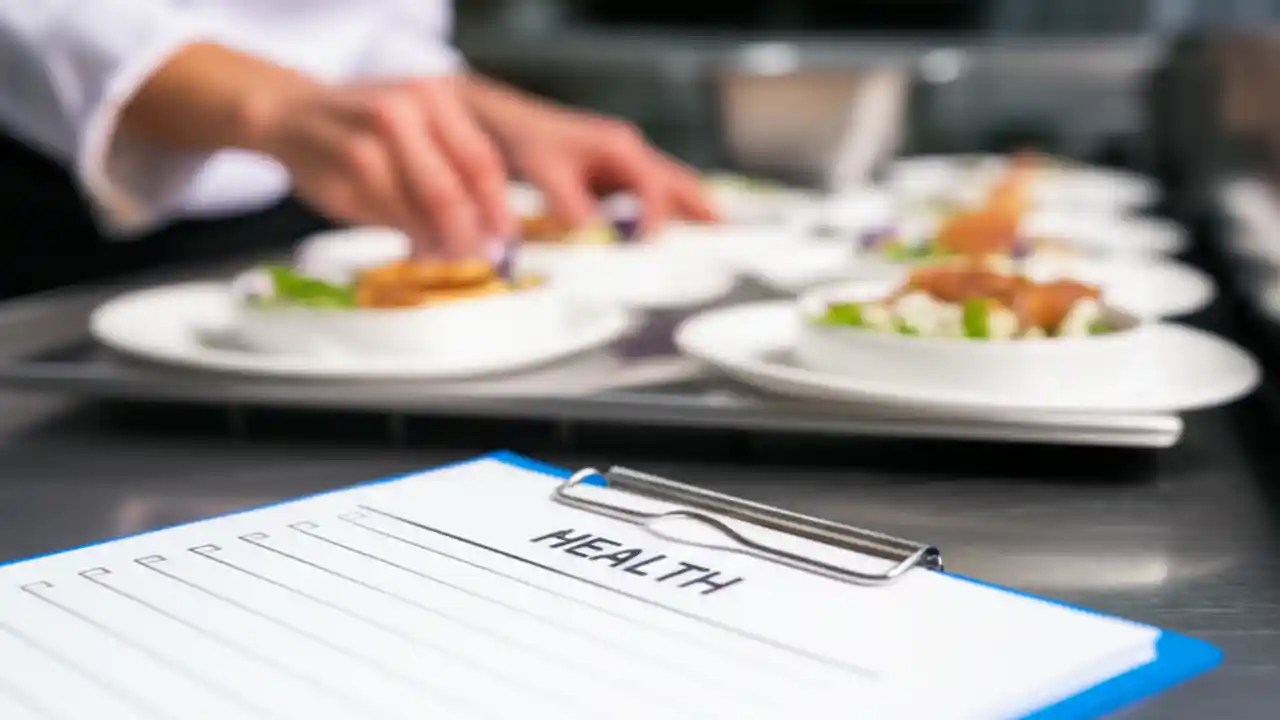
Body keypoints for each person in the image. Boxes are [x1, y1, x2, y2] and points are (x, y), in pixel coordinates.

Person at [0, 0, 717, 269]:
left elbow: (364, 29)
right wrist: (269, 107)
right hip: (41, 213)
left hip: (298, 226)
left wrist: (498, 116)